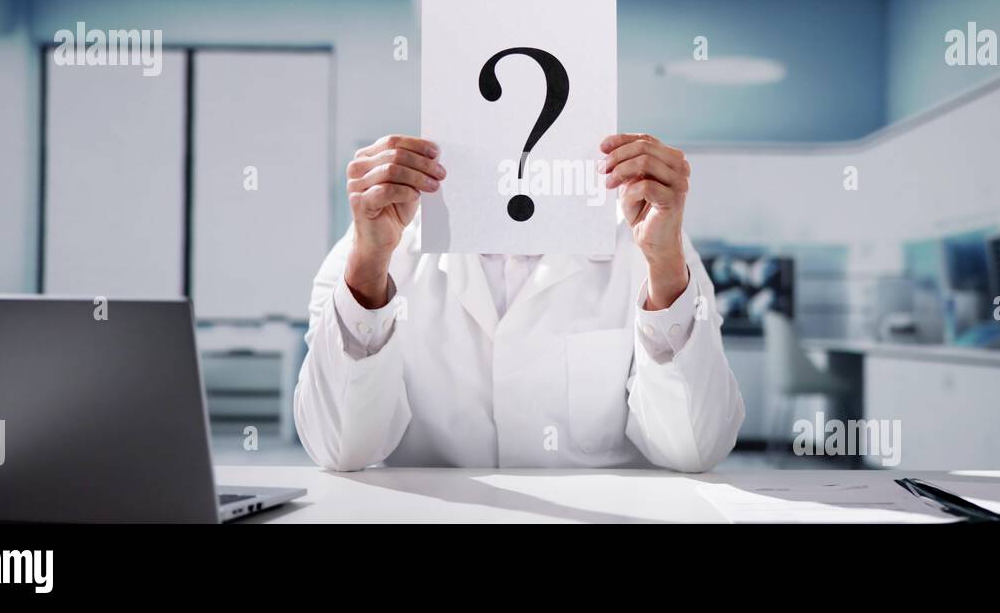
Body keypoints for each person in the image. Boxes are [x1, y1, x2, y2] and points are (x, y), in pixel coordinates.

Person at [294, 132, 744, 472]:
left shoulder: (645, 239)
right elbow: (339, 449)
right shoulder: (375, 245)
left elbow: (695, 448)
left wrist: (664, 267)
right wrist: (370, 269)